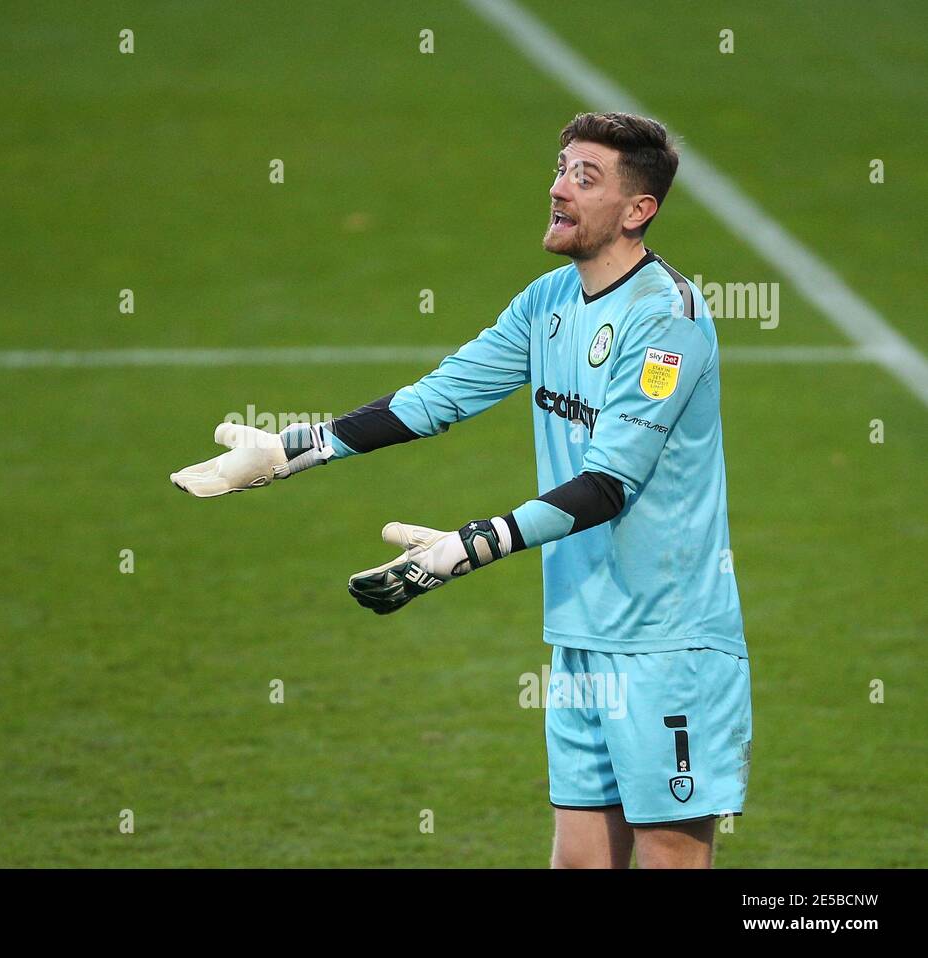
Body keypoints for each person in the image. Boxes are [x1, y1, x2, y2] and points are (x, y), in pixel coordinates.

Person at [171, 112, 751, 869]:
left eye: (586, 177)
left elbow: (608, 485)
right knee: (580, 864)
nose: (558, 188)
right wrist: (291, 451)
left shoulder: (665, 323)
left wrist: (468, 549)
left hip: (667, 643)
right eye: (560, 168)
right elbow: (436, 398)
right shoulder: (547, 302)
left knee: (669, 862)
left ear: (638, 210)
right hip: (579, 636)